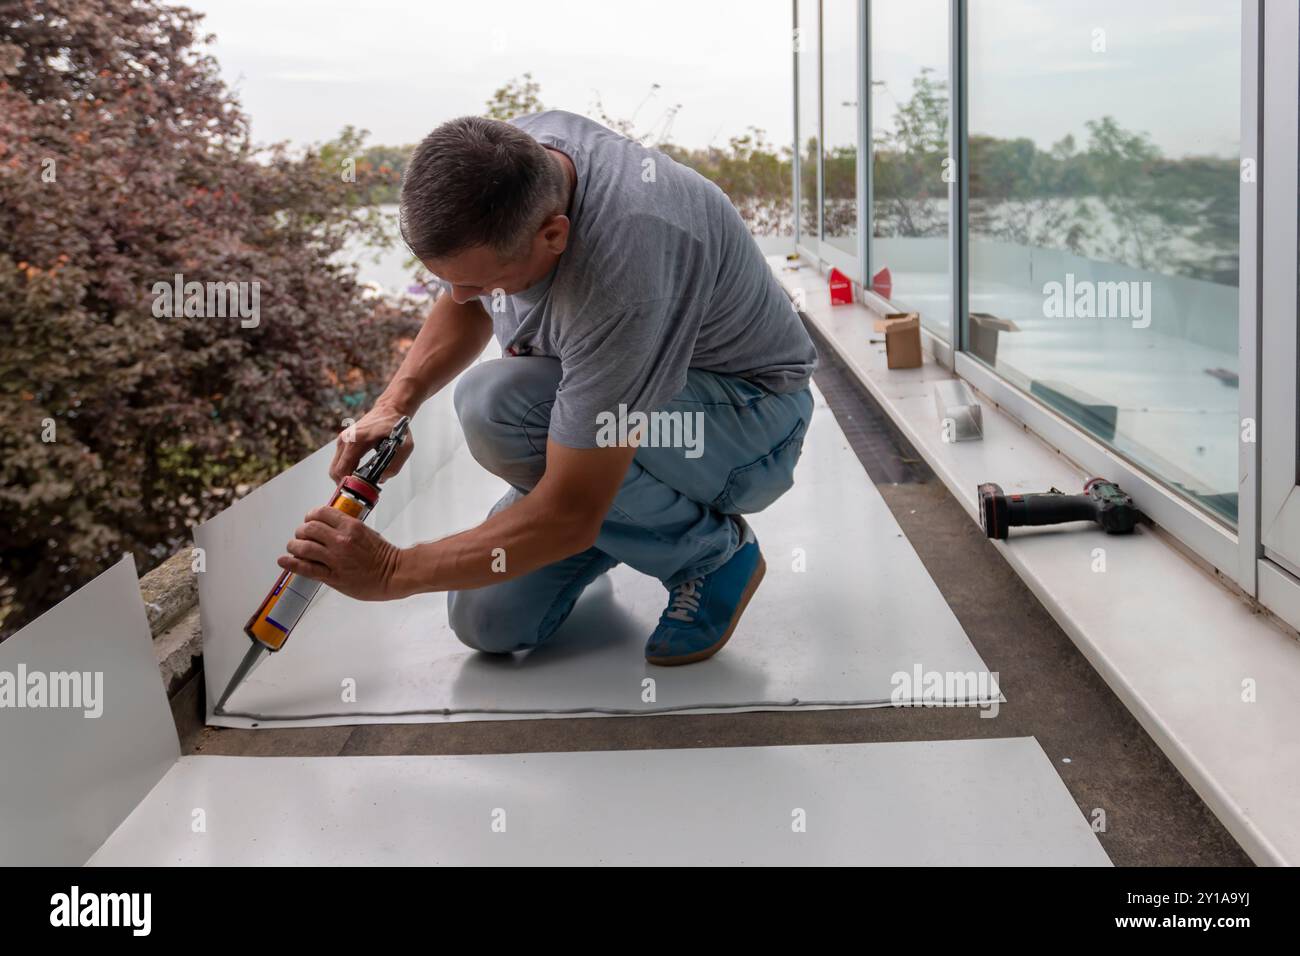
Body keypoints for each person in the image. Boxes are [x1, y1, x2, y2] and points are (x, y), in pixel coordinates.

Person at [278, 111, 817, 666]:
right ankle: (633, 528)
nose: (463, 297)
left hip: (750, 428)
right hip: (631, 416)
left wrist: (393, 571)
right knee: (486, 622)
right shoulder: (502, 162)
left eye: (482, 283)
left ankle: (712, 555)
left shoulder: (623, 273)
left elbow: (571, 512)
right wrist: (393, 406)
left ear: (554, 234)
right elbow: (465, 301)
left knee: (498, 405)